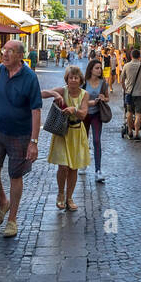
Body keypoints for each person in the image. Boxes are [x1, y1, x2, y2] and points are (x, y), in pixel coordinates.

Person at [0, 39, 42, 238]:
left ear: (19, 55)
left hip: (20, 134)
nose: (4, 54)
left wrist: (33, 142)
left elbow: (36, 110)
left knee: (15, 176)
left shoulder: (30, 78)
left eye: (10, 51)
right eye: (3, 50)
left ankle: (12, 219)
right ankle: (3, 202)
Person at [42, 65, 90, 211]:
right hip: (62, 132)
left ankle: (70, 198)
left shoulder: (84, 94)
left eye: (76, 77)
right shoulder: (63, 90)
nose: (73, 80)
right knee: (63, 166)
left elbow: (83, 114)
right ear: (67, 79)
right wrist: (55, 95)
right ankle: (60, 194)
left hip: (77, 133)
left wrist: (74, 109)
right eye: (71, 77)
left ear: (80, 79)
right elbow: (41, 93)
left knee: (73, 168)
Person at [82, 58, 110, 183]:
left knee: (97, 141)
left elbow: (107, 98)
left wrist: (103, 98)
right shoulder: (83, 82)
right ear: (91, 69)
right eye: (97, 68)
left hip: (97, 114)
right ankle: (83, 163)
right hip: (84, 114)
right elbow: (78, 98)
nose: (99, 70)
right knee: (83, 140)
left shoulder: (103, 83)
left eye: (100, 68)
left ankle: (98, 170)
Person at [121, 48, 141, 140]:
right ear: (139, 57)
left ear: (131, 56)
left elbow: (122, 80)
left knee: (129, 112)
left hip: (129, 93)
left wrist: (125, 89)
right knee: (138, 114)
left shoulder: (126, 66)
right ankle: (137, 133)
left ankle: (130, 131)